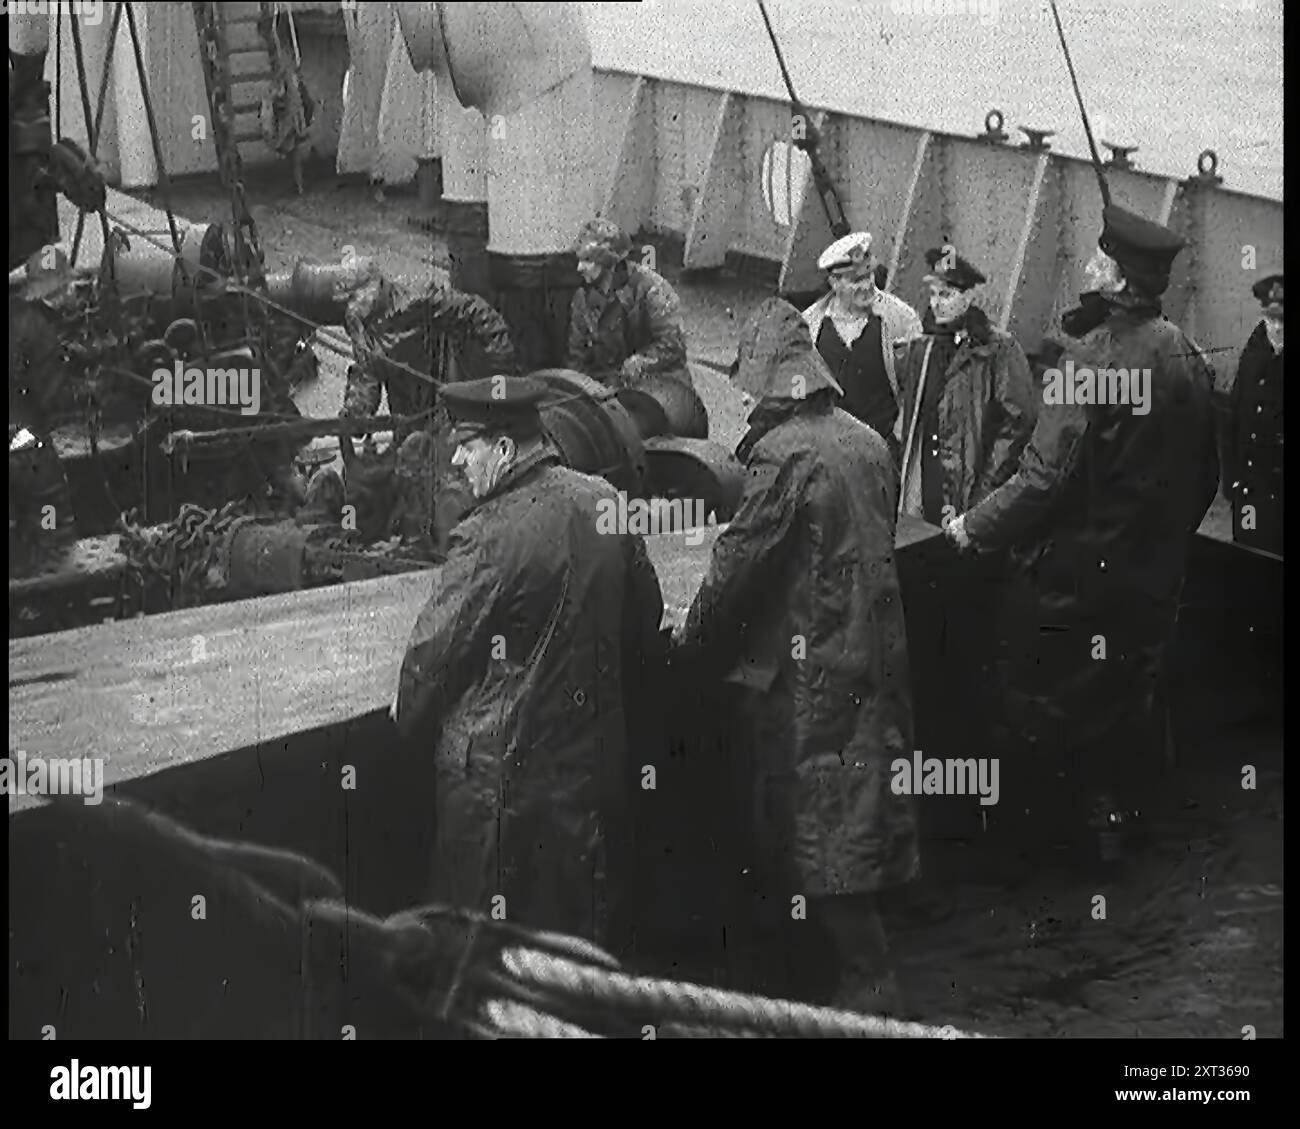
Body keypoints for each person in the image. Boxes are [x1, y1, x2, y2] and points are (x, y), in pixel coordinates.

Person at [944, 204, 1220, 863]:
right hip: (1150, 578)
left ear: (1121, 284)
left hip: (1074, 584)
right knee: (1128, 700)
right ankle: (1121, 837)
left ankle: (1042, 855)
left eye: (1101, 262)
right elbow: (1205, 470)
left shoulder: (1085, 362)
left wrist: (970, 528)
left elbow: (1042, 477)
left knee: (1040, 705)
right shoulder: (1185, 353)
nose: (1088, 266)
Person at [671, 298, 919, 1016]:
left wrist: (691, 640)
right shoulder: (867, 440)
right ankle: (846, 976)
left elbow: (739, 564)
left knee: (817, 827)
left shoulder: (785, 454)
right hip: (871, 661)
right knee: (854, 816)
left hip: (811, 677)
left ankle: (868, 993)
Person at [390, 376, 666, 948]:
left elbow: (430, 661)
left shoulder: (487, 534)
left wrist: (402, 735)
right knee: (573, 943)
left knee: (484, 948)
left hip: (498, 790)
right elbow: (646, 615)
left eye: (468, 446)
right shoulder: (604, 500)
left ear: (506, 449)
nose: (458, 461)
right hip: (587, 773)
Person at [894, 246, 1038, 762]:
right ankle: (931, 721)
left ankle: (971, 736)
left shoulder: (999, 352)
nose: (938, 303)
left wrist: (978, 503)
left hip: (969, 510)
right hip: (925, 506)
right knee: (926, 612)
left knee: (971, 620)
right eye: (933, 293)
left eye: (949, 294)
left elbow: (1016, 426)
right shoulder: (922, 351)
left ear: (971, 296)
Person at [801, 231, 923, 461]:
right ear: (834, 282)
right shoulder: (809, 325)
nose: (866, 286)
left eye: (869, 276)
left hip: (882, 453)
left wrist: (897, 440)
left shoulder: (901, 319)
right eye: (856, 280)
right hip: (827, 454)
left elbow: (917, 387)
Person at [566, 218, 691, 388]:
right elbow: (577, 355)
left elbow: (673, 344)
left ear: (608, 262)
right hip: (607, 384)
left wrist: (638, 363)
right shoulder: (583, 298)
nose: (580, 267)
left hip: (658, 380)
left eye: (588, 260)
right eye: (579, 259)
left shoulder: (651, 289)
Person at [1219, 271, 1282, 556]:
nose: (1276, 329)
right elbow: (1234, 417)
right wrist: (1233, 481)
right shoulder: (1255, 348)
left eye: (1281, 322)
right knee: (1247, 561)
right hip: (1250, 490)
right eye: (1271, 320)